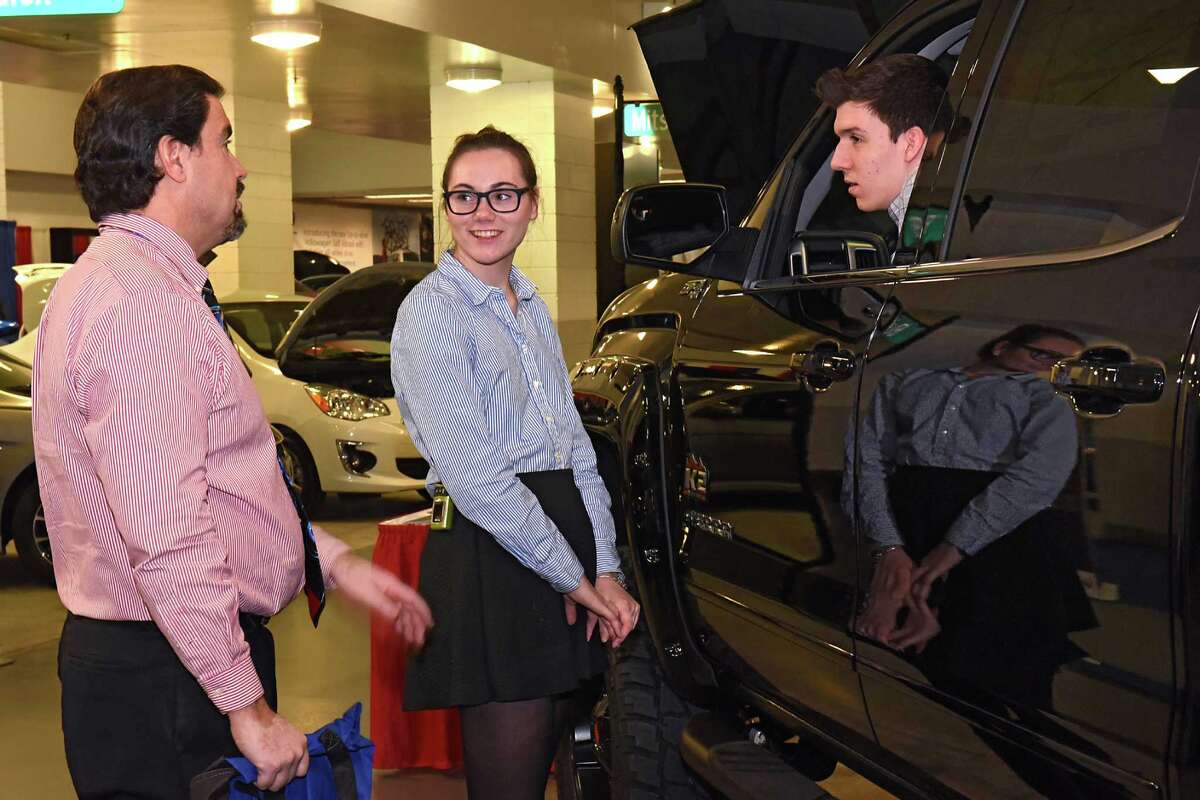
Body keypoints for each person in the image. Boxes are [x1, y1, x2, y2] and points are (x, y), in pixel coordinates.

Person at [33, 65, 432, 799]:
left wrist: (327, 560)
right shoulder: (145, 306)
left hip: (163, 665)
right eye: (226, 140)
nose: (241, 165)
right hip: (169, 679)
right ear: (174, 157)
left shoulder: (115, 282)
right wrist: (243, 705)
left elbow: (211, 484)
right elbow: (166, 532)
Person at [390, 126, 640, 800]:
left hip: (559, 546)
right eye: (464, 196)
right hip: (491, 551)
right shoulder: (432, 315)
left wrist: (605, 568)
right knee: (510, 784)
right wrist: (574, 578)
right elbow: (476, 478)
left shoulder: (530, 308)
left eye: (502, 195)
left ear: (534, 205)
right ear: (445, 208)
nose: (482, 213)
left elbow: (576, 452)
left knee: (570, 760)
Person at [815, 53, 948, 243]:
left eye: (856, 138)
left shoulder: (934, 237)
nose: (837, 162)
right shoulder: (942, 225)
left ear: (911, 144)